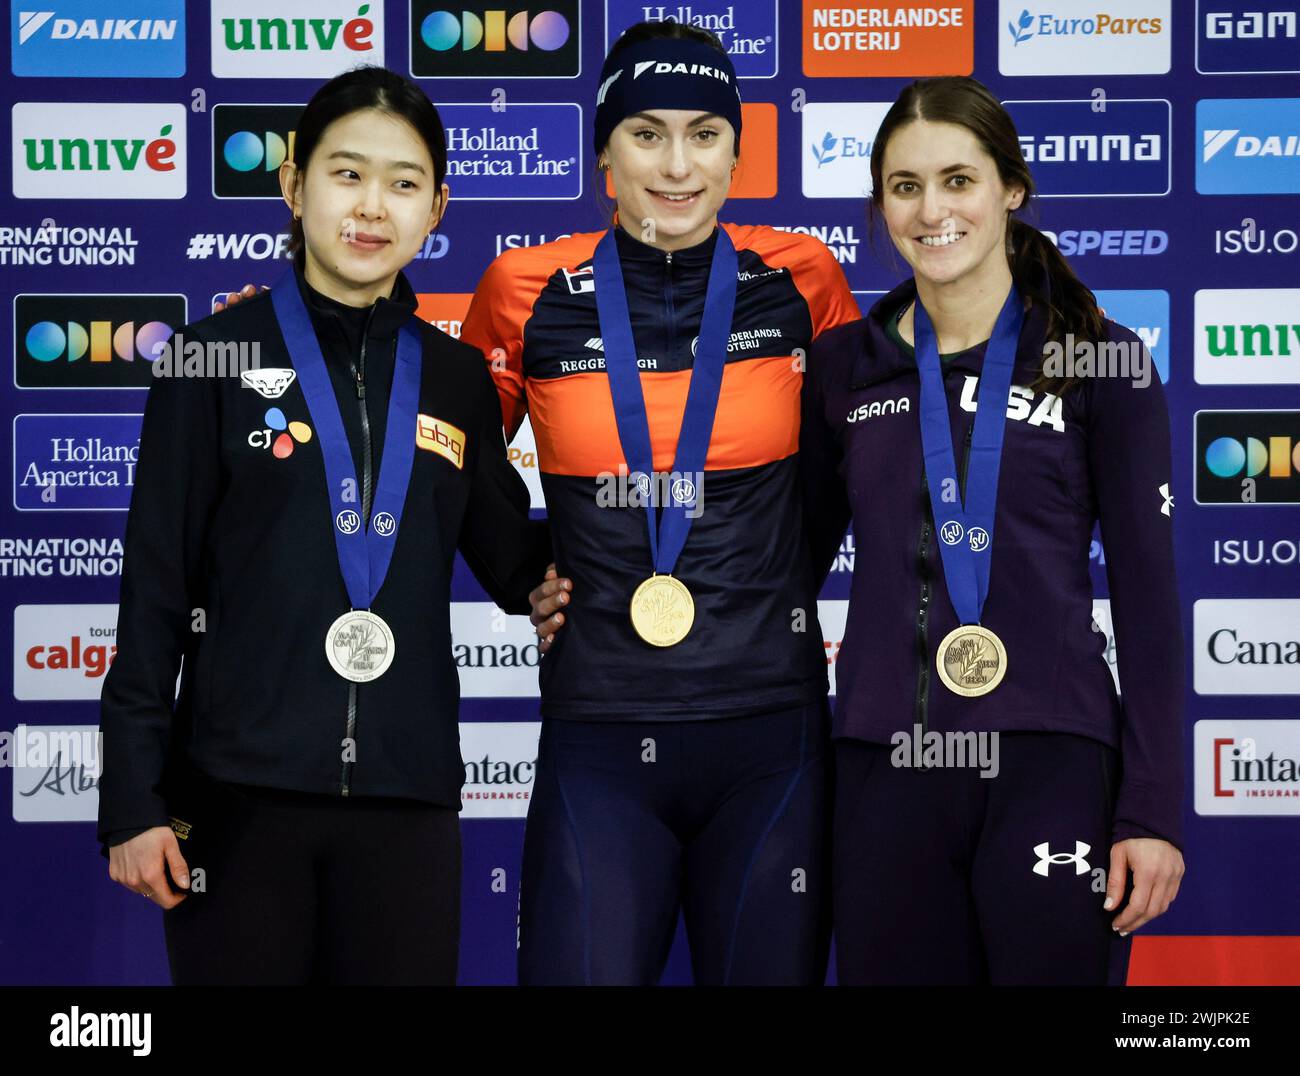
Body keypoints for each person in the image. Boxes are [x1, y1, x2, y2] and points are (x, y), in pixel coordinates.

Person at [97, 65, 552, 986]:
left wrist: (646, 525)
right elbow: (154, 592)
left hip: (406, 798)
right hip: (232, 799)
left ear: (438, 207)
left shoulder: (458, 380)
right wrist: (130, 801)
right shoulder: (209, 359)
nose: (372, 206)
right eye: (347, 174)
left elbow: (519, 567)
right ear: (294, 185)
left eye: (405, 181)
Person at [461, 21, 859, 985]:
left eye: (703, 133)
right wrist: (525, 577)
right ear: (603, 150)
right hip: (599, 729)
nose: (676, 165)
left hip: (774, 730)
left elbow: (855, 463)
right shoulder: (525, 290)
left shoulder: (802, 279)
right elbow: (451, 457)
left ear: (736, 147)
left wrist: (774, 590)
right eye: (645, 133)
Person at [799, 76, 1186, 985]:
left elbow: (1152, 606)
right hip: (884, 768)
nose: (932, 210)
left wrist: (1153, 811)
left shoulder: (1101, 360)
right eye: (904, 187)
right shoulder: (844, 366)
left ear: (1010, 189)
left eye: (958, 180)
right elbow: (784, 569)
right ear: (880, 203)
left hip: (1051, 763)